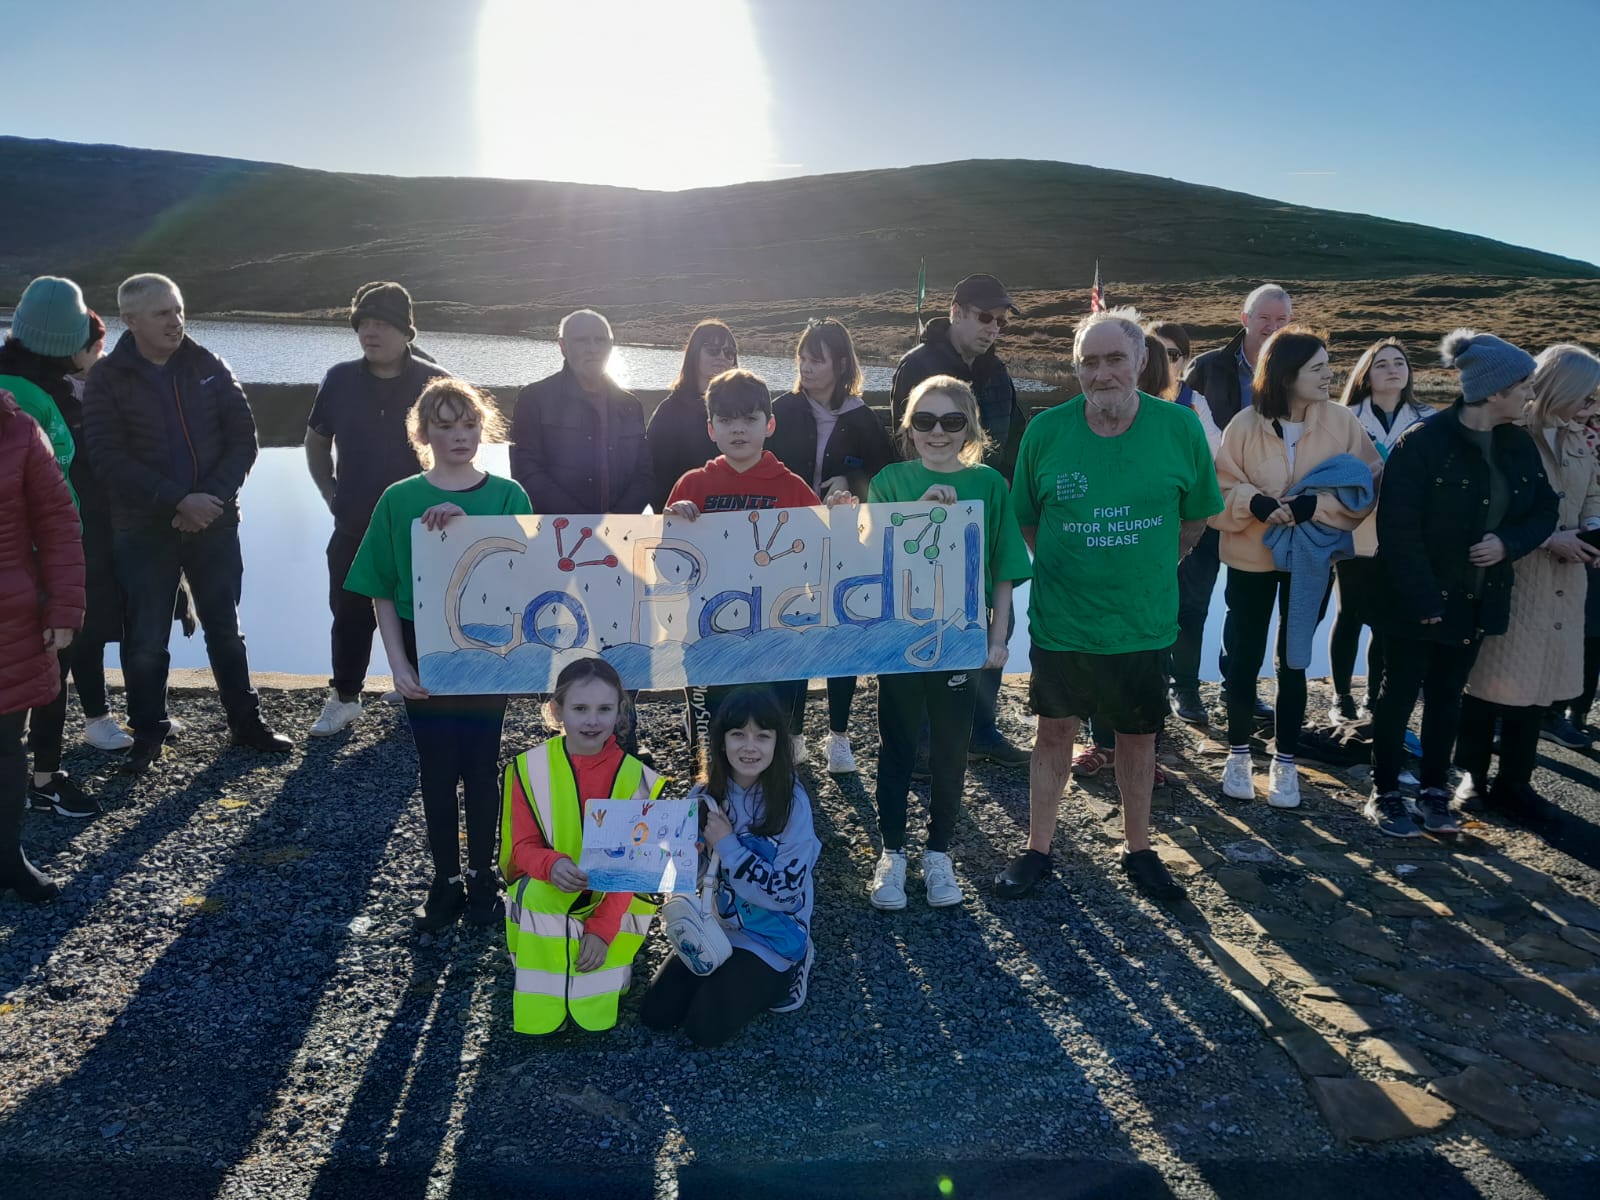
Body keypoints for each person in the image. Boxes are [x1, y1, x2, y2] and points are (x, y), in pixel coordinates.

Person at [994, 309, 1221, 903]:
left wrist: (1145, 568)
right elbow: (1025, 518)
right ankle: (1038, 849)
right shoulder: (1046, 431)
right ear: (1077, 368)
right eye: (1089, 362)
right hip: (1062, 618)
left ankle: (1139, 850)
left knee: (1138, 736)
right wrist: (1071, 565)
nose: (1102, 373)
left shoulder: (1179, 428)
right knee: (1054, 732)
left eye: (1114, 359)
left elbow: (1195, 519)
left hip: (1142, 620)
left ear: (1141, 361)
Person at [81, 273, 291, 774]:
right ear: (130, 321)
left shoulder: (208, 365)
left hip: (215, 524)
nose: (175, 321)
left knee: (225, 628)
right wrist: (178, 500)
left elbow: (244, 439)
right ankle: (147, 734)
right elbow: (107, 458)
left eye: (178, 310)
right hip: (143, 529)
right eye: (161, 314)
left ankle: (246, 724)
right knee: (147, 636)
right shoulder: (108, 378)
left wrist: (210, 499)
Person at [344, 378, 532, 930]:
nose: (460, 435)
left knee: (481, 765)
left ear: (484, 427)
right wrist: (398, 664)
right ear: (422, 433)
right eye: (445, 426)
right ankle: (444, 879)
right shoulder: (399, 498)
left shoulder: (507, 495)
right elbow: (381, 587)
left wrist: (467, 529)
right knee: (436, 767)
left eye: (469, 423)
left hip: (485, 649)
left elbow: (528, 572)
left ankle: (484, 881)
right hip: (422, 643)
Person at [1368, 331, 1557, 837]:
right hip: (1414, 601)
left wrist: (1507, 543)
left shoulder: (1517, 445)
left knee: (1449, 697)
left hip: (1477, 599)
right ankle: (1385, 792)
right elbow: (1397, 529)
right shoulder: (1424, 443)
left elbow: (1545, 510)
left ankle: (1433, 790)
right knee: (1398, 694)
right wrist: (1424, 598)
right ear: (1493, 390)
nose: (1529, 395)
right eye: (1523, 385)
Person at [865, 376, 1031, 910]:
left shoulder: (990, 485)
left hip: (962, 639)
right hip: (898, 636)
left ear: (971, 427)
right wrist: (918, 510)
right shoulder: (890, 480)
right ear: (909, 427)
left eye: (951, 421)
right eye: (925, 421)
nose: (937, 432)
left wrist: (998, 635)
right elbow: (868, 559)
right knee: (896, 745)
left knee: (950, 751)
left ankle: (938, 854)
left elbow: (1004, 568)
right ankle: (891, 852)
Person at [1211, 328, 1381, 809]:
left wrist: (1317, 506)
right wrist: (1256, 503)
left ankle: (1285, 761)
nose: (1331, 376)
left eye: (1329, 366)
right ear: (1286, 375)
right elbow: (1218, 491)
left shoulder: (1343, 423)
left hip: (1311, 557)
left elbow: (1363, 484)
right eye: (1318, 368)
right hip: (1250, 557)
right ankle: (1239, 753)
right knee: (1243, 657)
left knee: (1295, 657)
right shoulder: (1244, 424)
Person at [665, 368, 856, 767]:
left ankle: (777, 806)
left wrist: (836, 520)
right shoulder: (691, 486)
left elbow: (824, 558)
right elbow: (667, 567)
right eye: (727, 420)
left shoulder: (790, 486)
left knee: (773, 730)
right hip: (708, 635)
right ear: (710, 428)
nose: (739, 429)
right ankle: (715, 803)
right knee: (716, 733)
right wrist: (674, 526)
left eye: (749, 419)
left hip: (777, 634)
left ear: (769, 424)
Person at [1454, 344, 1600, 818]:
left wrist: (1590, 529)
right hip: (1513, 575)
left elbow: (1593, 491)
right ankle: (1470, 779)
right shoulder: (1510, 436)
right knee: (1491, 680)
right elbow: (1487, 508)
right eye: (1585, 397)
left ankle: (1516, 781)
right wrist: (1550, 539)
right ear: (1560, 389)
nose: (1592, 406)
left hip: (1566, 579)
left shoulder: (1577, 437)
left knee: (1538, 686)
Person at [891, 274, 1031, 766]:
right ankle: (927, 738)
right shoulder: (917, 365)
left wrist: (1012, 495)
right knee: (933, 623)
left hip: (986, 513)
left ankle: (981, 728)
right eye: (984, 316)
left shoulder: (998, 371)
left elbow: (1013, 437)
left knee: (1000, 619)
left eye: (1000, 320)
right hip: (930, 520)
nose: (993, 327)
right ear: (956, 312)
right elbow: (905, 442)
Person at [304, 282, 449, 738]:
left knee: (421, 614)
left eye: (382, 323)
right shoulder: (340, 378)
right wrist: (329, 492)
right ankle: (345, 698)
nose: (370, 332)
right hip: (353, 525)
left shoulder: (435, 381)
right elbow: (316, 440)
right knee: (348, 613)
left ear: (405, 331)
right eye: (363, 323)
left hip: (421, 528)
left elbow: (459, 447)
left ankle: (418, 688)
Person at [641, 685, 820, 1046]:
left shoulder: (792, 803)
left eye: (762, 736)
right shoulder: (703, 796)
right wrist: (682, 857)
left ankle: (796, 963)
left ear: (777, 744)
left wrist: (728, 846)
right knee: (656, 1014)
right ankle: (731, 979)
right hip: (716, 927)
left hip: (773, 934)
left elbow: (786, 895)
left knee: (704, 1030)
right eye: (738, 734)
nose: (749, 747)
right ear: (721, 741)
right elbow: (679, 875)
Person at [500, 657, 664, 1035]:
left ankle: (602, 966)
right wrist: (551, 864)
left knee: (599, 963)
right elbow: (521, 847)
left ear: (620, 711)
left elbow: (634, 871)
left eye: (604, 709)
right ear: (557, 710)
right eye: (580, 709)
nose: (592, 720)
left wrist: (602, 929)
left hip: (612, 898)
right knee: (538, 896)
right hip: (550, 888)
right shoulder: (526, 768)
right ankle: (542, 999)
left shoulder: (639, 779)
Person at [768, 319, 894, 769]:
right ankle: (794, 734)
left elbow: (887, 479)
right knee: (797, 631)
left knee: (843, 634)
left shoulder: (864, 418)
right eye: (802, 357)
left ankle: (838, 736)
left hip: (848, 545)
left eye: (816, 359)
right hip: (790, 545)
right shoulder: (780, 410)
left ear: (842, 364)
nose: (806, 366)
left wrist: (852, 480)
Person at [0, 277, 102, 817]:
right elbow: (49, 499)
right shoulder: (37, 400)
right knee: (46, 674)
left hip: (19, 565)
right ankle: (43, 780)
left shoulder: (15, 384)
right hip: (35, 568)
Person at [1176, 285, 1295, 727]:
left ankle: (1236, 688)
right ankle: (1184, 688)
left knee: (1247, 606)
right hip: (1207, 501)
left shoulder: (1295, 370)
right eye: (1265, 319)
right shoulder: (1207, 368)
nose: (1274, 328)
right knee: (1192, 600)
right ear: (1244, 319)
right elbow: (1185, 431)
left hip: (1265, 509)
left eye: (1282, 321)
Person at [0, 385, 85, 901]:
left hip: (9, 620)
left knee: (6, 749)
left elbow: (58, 523)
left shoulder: (19, 431)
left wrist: (64, 609)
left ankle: (7, 858)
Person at [1327, 340, 1432, 723]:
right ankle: (1341, 697)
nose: (1393, 369)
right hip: (1356, 530)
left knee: (1387, 618)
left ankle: (1375, 696)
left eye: (1400, 362)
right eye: (1382, 364)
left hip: (1405, 535)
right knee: (1350, 612)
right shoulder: (1344, 417)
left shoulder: (1428, 418)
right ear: (1366, 375)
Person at [509, 308, 654, 516]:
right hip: (556, 533)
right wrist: (581, 521)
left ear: (611, 346)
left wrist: (620, 517)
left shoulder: (630, 405)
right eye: (582, 340)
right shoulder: (533, 398)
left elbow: (644, 474)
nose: (592, 348)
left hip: (619, 534)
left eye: (600, 340)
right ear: (563, 346)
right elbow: (527, 472)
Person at [646, 320, 736, 513]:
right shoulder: (669, 412)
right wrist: (669, 509)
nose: (722, 357)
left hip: (735, 520)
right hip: (685, 521)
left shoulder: (743, 411)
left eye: (729, 353)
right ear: (694, 354)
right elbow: (652, 475)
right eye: (713, 350)